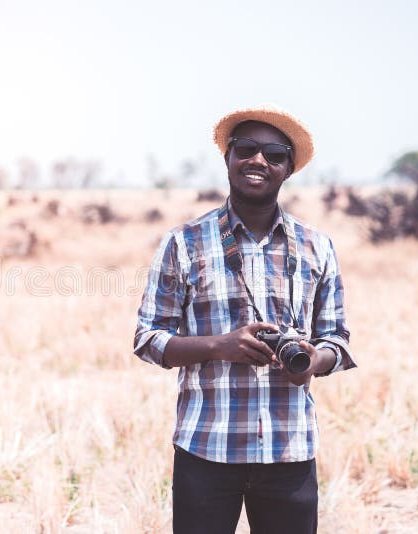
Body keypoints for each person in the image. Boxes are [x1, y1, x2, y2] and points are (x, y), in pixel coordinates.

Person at [133, 104, 356, 534]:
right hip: (206, 450)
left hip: (288, 451)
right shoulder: (183, 243)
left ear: (289, 169)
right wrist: (221, 346)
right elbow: (148, 338)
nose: (258, 160)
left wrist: (313, 360)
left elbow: (337, 340)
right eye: (247, 148)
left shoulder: (318, 247)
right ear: (228, 158)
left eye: (274, 154)